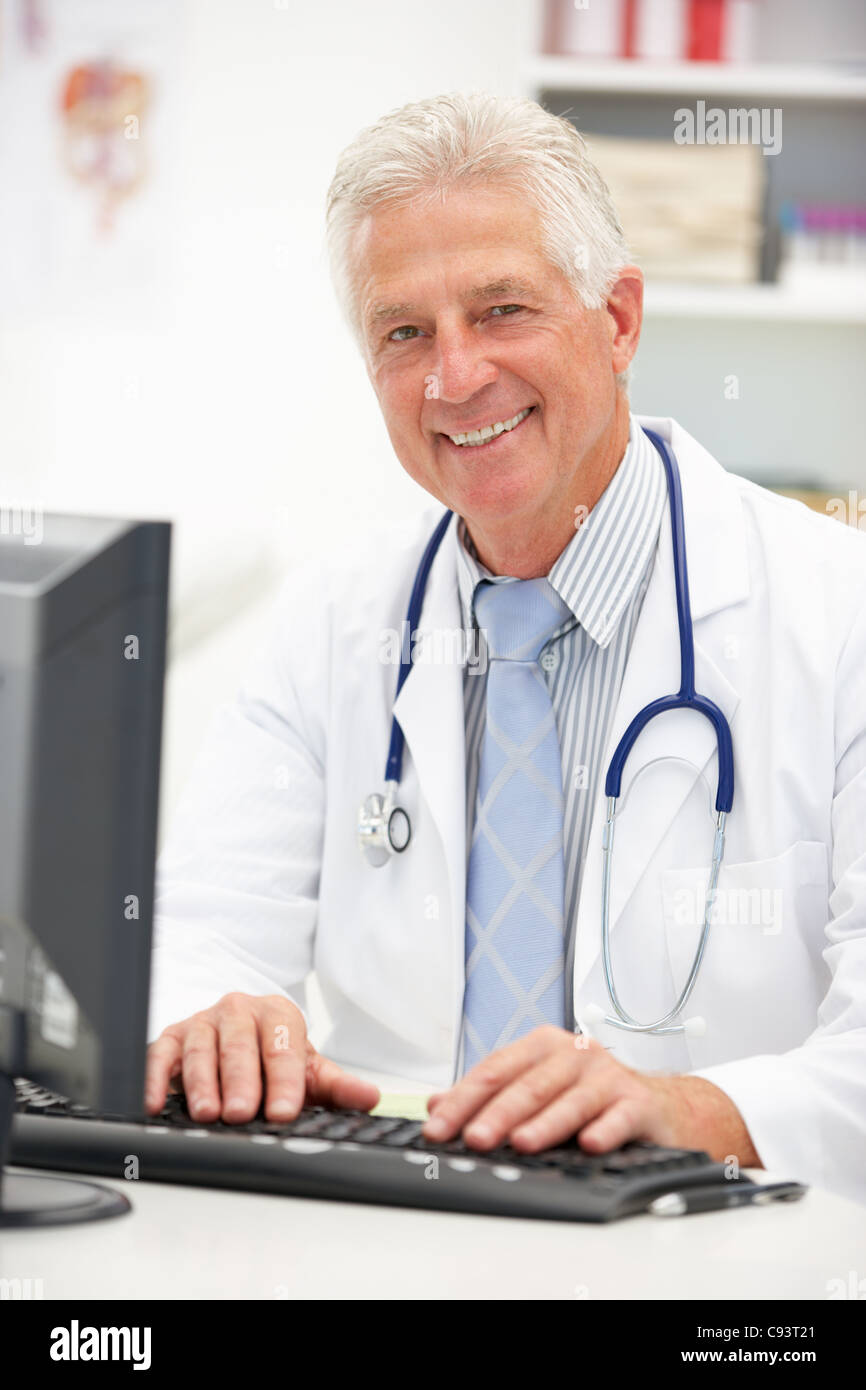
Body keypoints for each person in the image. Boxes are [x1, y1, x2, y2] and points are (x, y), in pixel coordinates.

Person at [145, 92, 866, 1202]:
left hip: (715, 1261)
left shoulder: (834, 616)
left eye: (500, 310)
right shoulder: (332, 621)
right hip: (386, 1242)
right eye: (403, 332)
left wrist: (700, 1111)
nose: (454, 376)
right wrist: (217, 1017)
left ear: (616, 319)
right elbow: (199, 933)